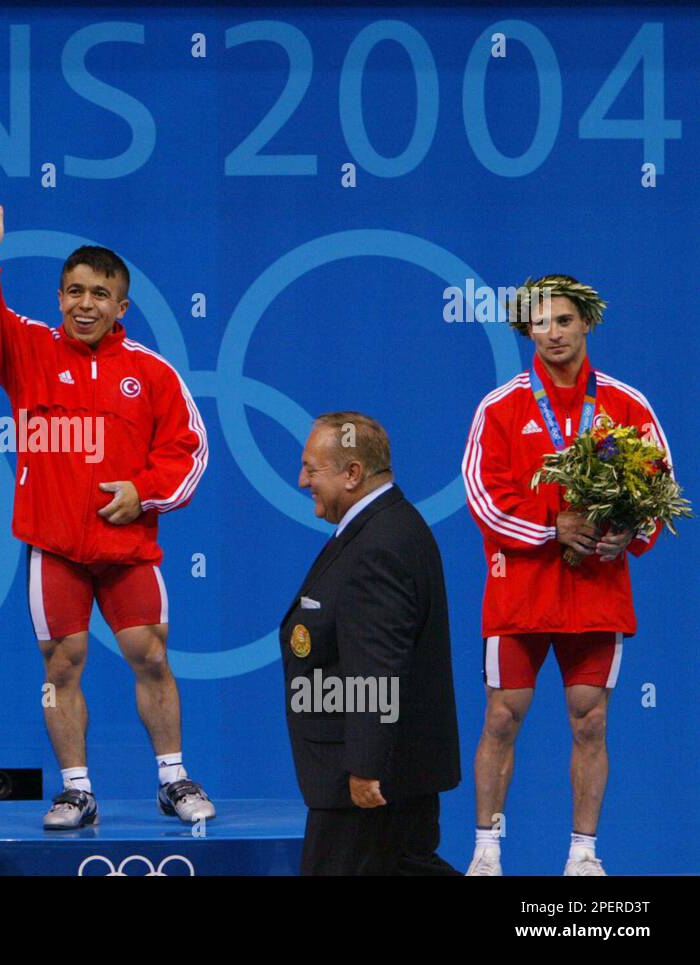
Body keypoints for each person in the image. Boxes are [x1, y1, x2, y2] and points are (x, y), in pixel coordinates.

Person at [0, 200, 213, 829]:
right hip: (55, 551)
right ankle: (76, 789)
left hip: (126, 551)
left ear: (120, 307)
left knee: (151, 656)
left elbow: (189, 453)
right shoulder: (28, 351)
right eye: (74, 291)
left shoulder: (151, 373)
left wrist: (143, 493)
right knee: (60, 666)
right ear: (59, 296)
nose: (85, 304)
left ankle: (174, 779)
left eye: (100, 294)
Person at [461, 276, 673, 876]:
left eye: (563, 321)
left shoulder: (627, 406)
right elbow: (484, 496)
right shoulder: (501, 406)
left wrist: (629, 533)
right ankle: (485, 852)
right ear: (527, 330)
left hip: (595, 593)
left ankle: (583, 855)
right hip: (521, 592)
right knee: (502, 714)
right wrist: (552, 527)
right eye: (540, 323)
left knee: (591, 717)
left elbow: (659, 492)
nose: (551, 334)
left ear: (587, 323)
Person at [281, 412, 460, 875]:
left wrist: (364, 767)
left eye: (311, 469)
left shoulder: (380, 543)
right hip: (388, 774)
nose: (302, 481)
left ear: (353, 473)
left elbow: (376, 667)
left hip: (366, 782)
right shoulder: (387, 527)